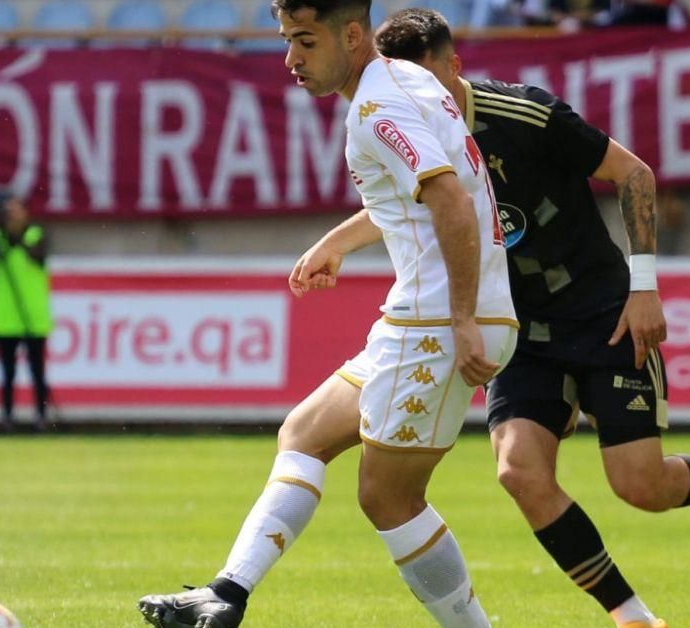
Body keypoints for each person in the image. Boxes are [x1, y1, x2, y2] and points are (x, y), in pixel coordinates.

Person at [373, 8, 690, 627]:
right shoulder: (404, 136)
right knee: (518, 472)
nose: (412, 97)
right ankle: (634, 618)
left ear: (454, 67)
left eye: (423, 80)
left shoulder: (527, 116)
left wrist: (644, 287)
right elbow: (399, 212)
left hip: (603, 314)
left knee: (641, 487)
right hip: (521, 332)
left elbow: (634, 174)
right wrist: (336, 243)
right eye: (398, 85)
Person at [138, 0, 518, 626]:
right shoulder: (406, 78)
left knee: (389, 498)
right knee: (304, 433)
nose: (291, 58)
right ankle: (226, 593)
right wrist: (334, 243)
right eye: (287, 40)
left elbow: (451, 199)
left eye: (305, 42)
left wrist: (462, 320)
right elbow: (422, 195)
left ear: (351, 34)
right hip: (425, 314)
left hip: (438, 320)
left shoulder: (375, 108)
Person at [0, 192, 53, 431]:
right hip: (4, 316)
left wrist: (12, 233)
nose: (11, 215)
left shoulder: (37, 233)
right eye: (7, 211)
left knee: (37, 370)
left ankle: (41, 416)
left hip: (32, 316)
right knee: (7, 372)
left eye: (15, 210)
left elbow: (37, 255)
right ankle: (7, 417)